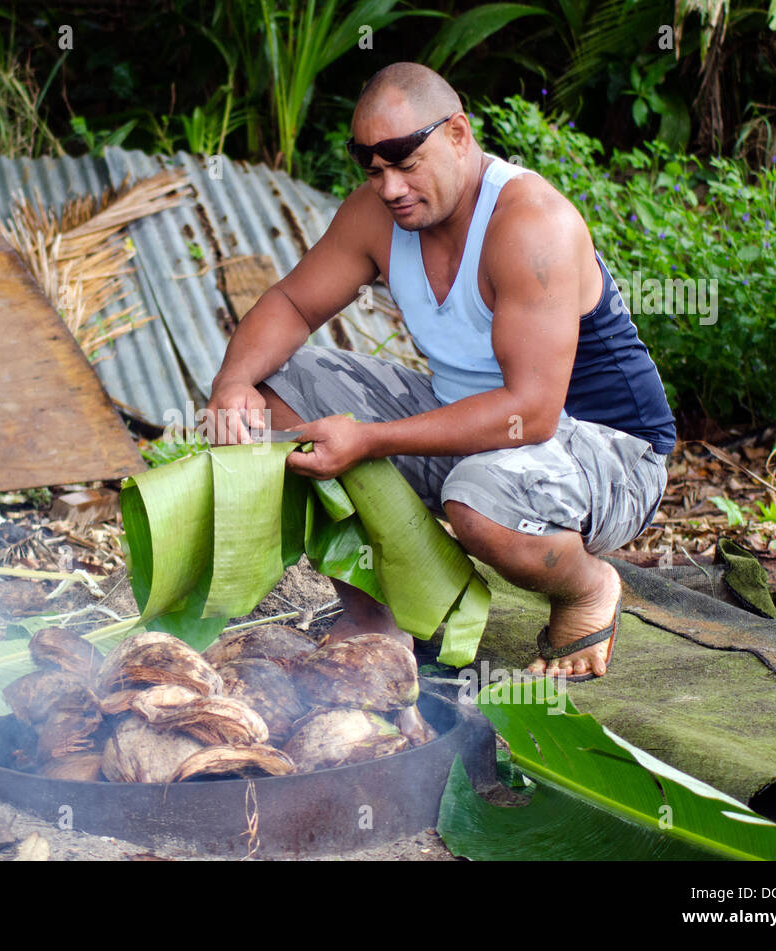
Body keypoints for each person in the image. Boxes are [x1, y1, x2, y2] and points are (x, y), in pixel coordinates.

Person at [206, 62, 676, 682]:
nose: (391, 187)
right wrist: (230, 386)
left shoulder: (532, 224)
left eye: (406, 164)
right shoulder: (376, 217)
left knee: (476, 500)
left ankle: (588, 589)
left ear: (458, 134)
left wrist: (370, 439)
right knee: (272, 395)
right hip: (471, 429)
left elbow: (530, 414)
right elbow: (292, 304)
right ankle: (378, 617)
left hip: (607, 452)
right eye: (375, 171)